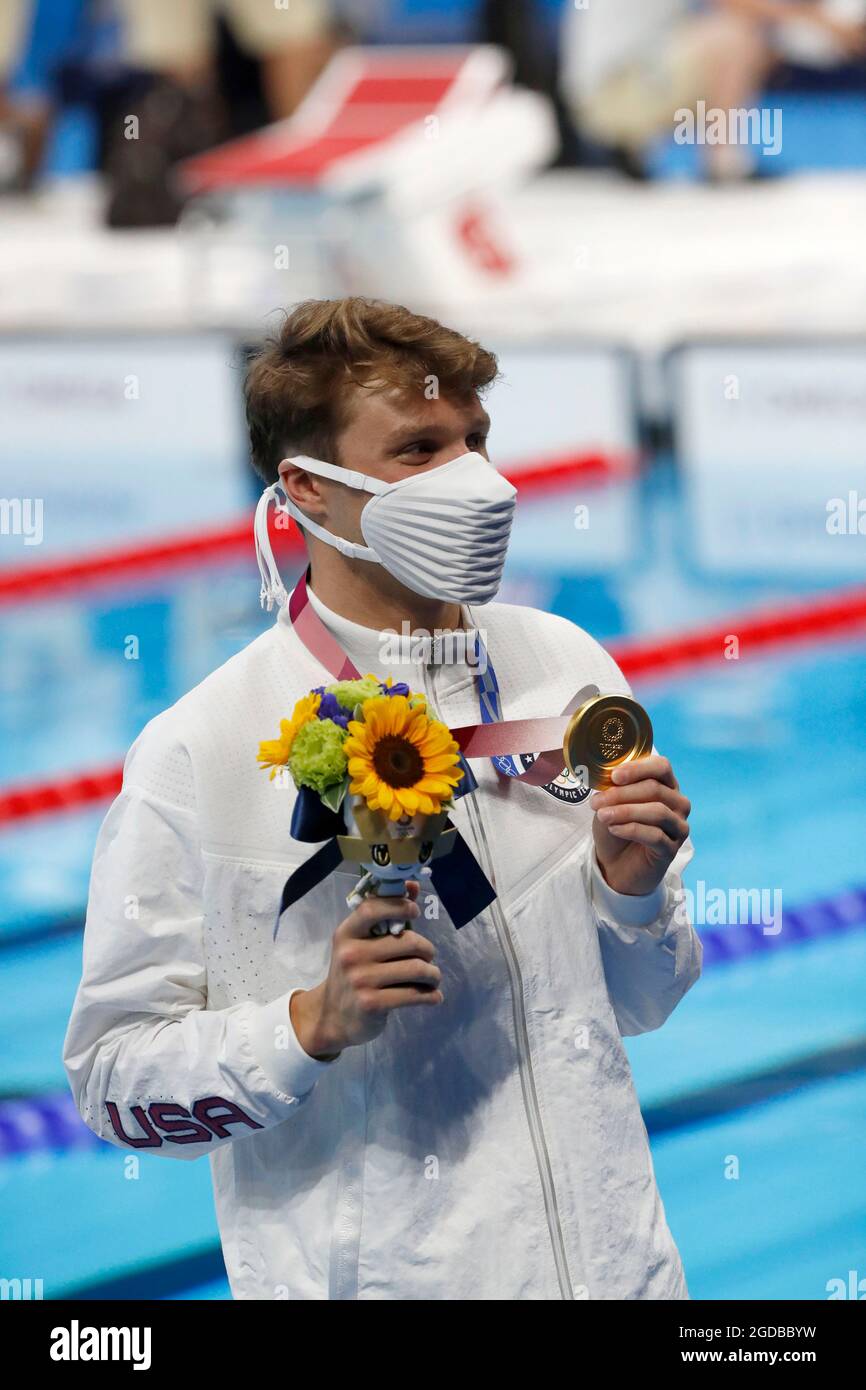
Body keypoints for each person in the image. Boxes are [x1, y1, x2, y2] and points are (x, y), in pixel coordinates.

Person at [64, 297, 701, 1301]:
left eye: (474, 440)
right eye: (417, 449)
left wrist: (630, 896)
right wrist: (305, 1023)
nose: (474, 482)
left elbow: (646, 1000)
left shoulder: (562, 670)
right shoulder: (205, 749)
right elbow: (111, 1085)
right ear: (308, 491)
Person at [559, 0, 866, 180]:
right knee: (733, 36)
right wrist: (828, 26)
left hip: (610, 92)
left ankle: (636, 149)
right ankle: (724, 165)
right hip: (608, 98)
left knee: (755, 44)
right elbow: (736, 5)